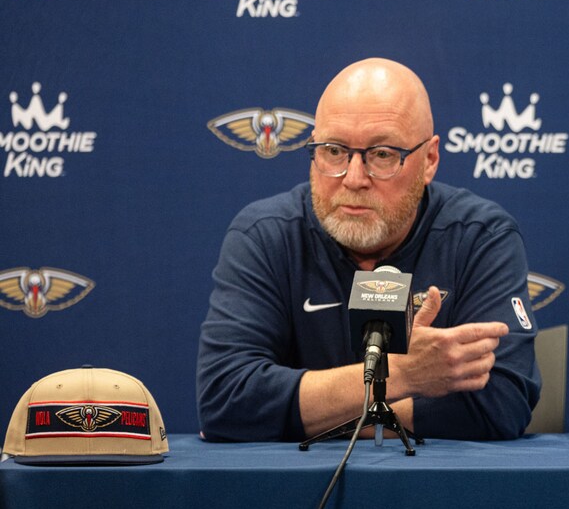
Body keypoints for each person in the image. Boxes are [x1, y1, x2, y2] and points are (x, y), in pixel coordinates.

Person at [197, 58, 539, 442]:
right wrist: (405, 375)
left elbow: (502, 402)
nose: (354, 178)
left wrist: (309, 415)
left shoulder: (481, 237)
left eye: (382, 154)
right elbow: (225, 399)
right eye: (333, 151)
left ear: (429, 160)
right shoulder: (265, 235)